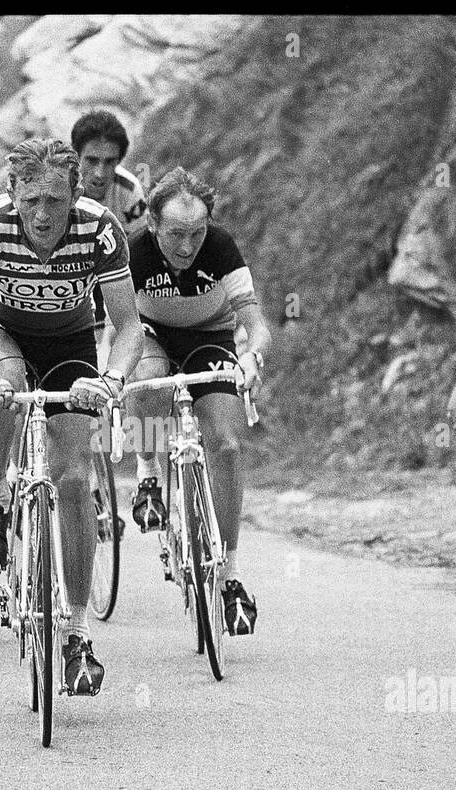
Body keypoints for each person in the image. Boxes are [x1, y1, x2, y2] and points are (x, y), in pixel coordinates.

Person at [0, 137, 144, 697]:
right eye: (31, 202)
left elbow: (128, 327)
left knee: (74, 480)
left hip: (71, 343)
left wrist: (111, 381)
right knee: (0, 380)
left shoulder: (100, 228)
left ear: (75, 195)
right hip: (2, 332)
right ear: (13, 194)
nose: (43, 215)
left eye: (55, 200)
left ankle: (76, 634)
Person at [124, 166, 271, 636]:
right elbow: (117, 325)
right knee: (146, 377)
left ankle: (228, 577)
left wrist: (253, 357)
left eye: (197, 232)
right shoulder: (134, 251)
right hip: (152, 337)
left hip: (210, 337)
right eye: (176, 234)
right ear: (152, 225)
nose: (188, 246)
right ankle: (148, 471)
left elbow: (257, 323)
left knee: (226, 445)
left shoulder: (222, 247)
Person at [70, 110, 149, 366]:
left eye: (109, 161)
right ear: (76, 156)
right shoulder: (61, 189)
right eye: (91, 160)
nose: (100, 173)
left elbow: (139, 254)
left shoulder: (130, 191)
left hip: (111, 276)